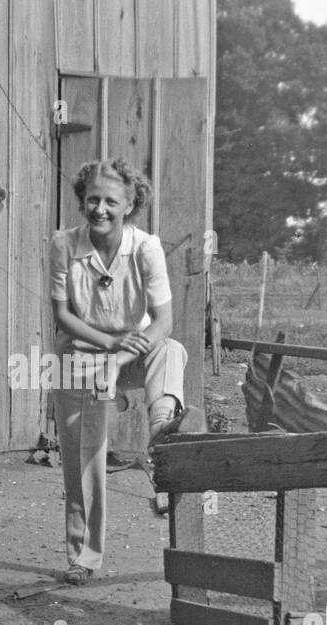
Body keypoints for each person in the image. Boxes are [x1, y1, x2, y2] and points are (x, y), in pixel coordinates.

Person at [49, 158, 202, 585]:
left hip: (127, 354)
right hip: (79, 357)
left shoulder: (146, 247)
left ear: (130, 203)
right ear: (83, 200)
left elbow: (164, 321)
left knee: (169, 349)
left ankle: (162, 430)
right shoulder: (63, 245)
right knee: (84, 459)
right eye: (92, 199)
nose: (100, 208)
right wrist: (106, 349)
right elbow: (63, 315)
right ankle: (84, 557)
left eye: (111, 201)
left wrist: (118, 358)